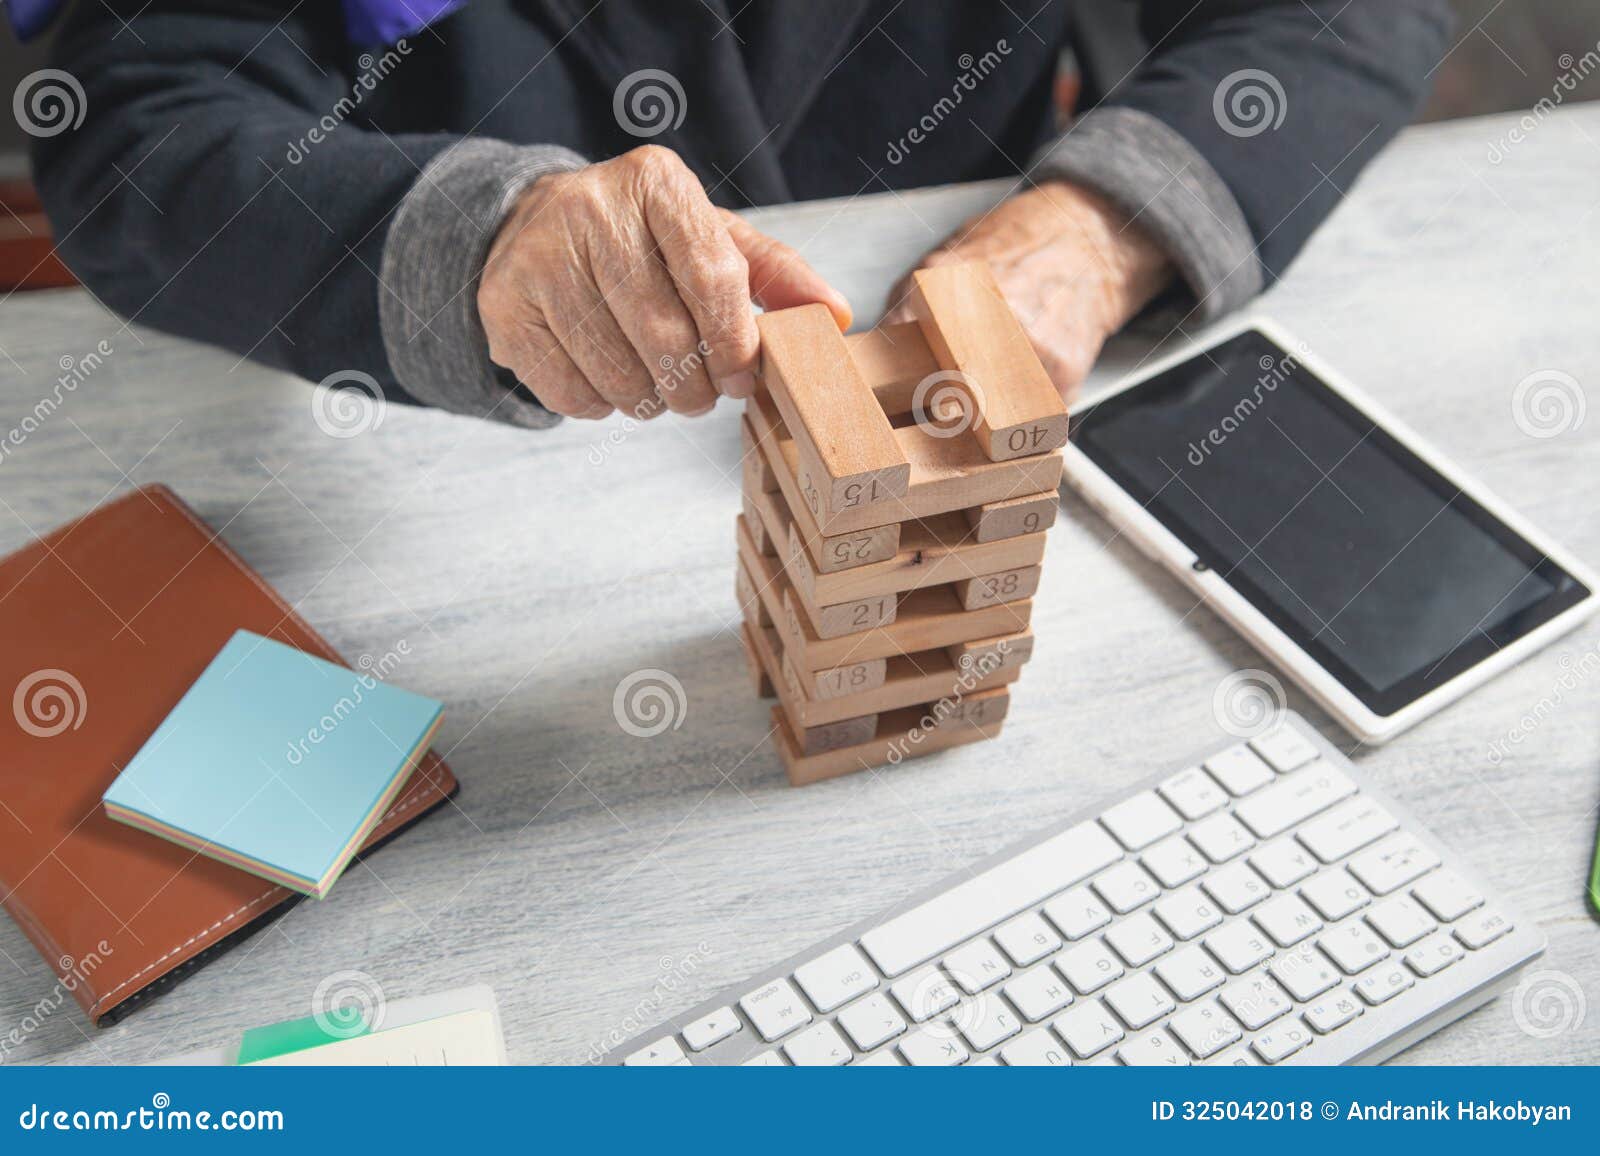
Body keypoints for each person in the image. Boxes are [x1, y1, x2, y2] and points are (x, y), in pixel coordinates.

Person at [27, 1, 1450, 429]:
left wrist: (1101, 225)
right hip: (461, 470)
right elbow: (144, 129)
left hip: (983, 327)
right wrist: (475, 236)